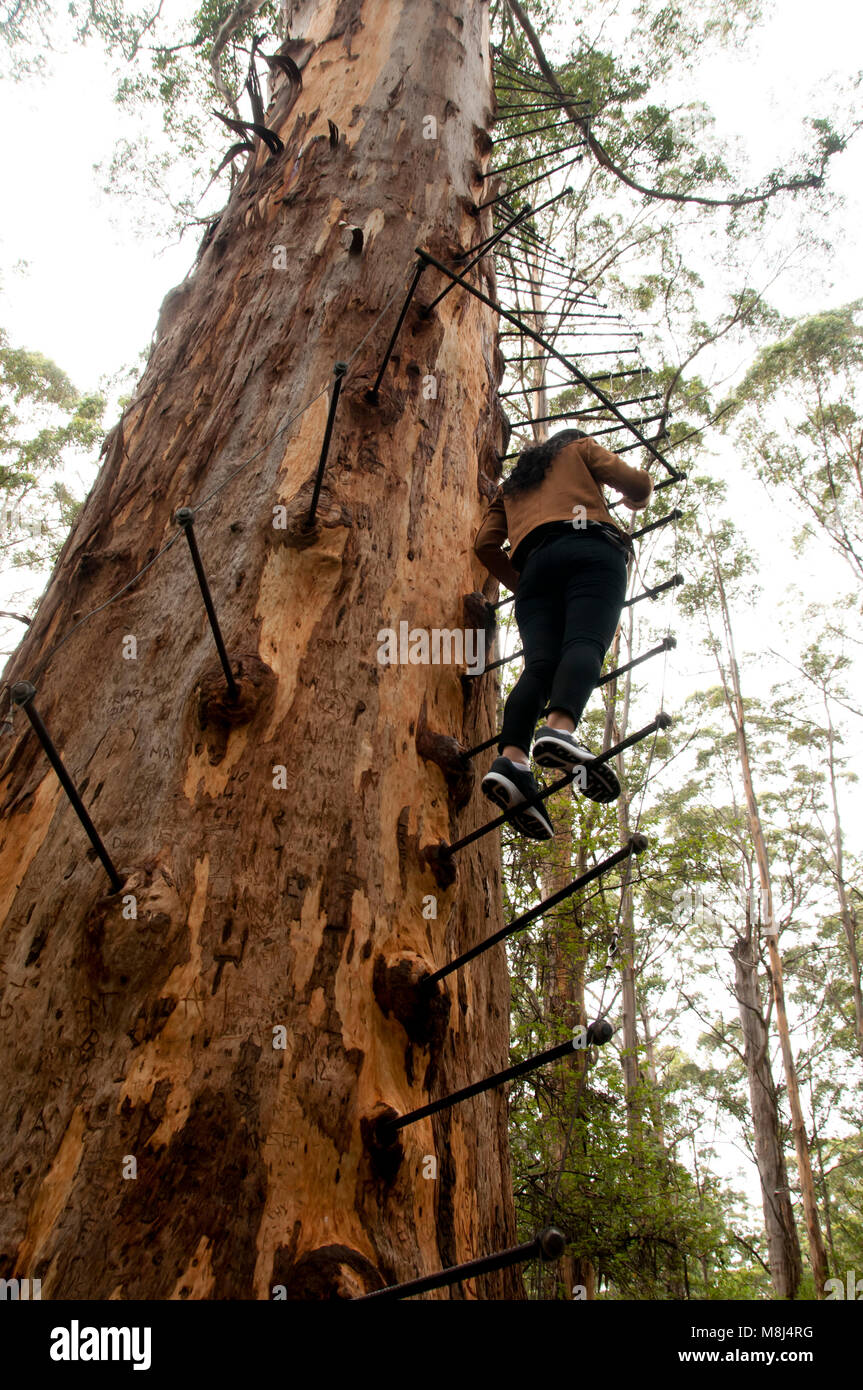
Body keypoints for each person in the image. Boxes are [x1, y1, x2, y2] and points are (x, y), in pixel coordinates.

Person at [473, 428, 653, 840]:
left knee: (539, 666)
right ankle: (558, 728)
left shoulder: (511, 487)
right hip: (591, 550)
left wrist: (525, 585)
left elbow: (484, 544)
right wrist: (637, 500)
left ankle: (513, 760)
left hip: (534, 568)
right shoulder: (578, 448)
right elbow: (638, 483)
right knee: (584, 642)